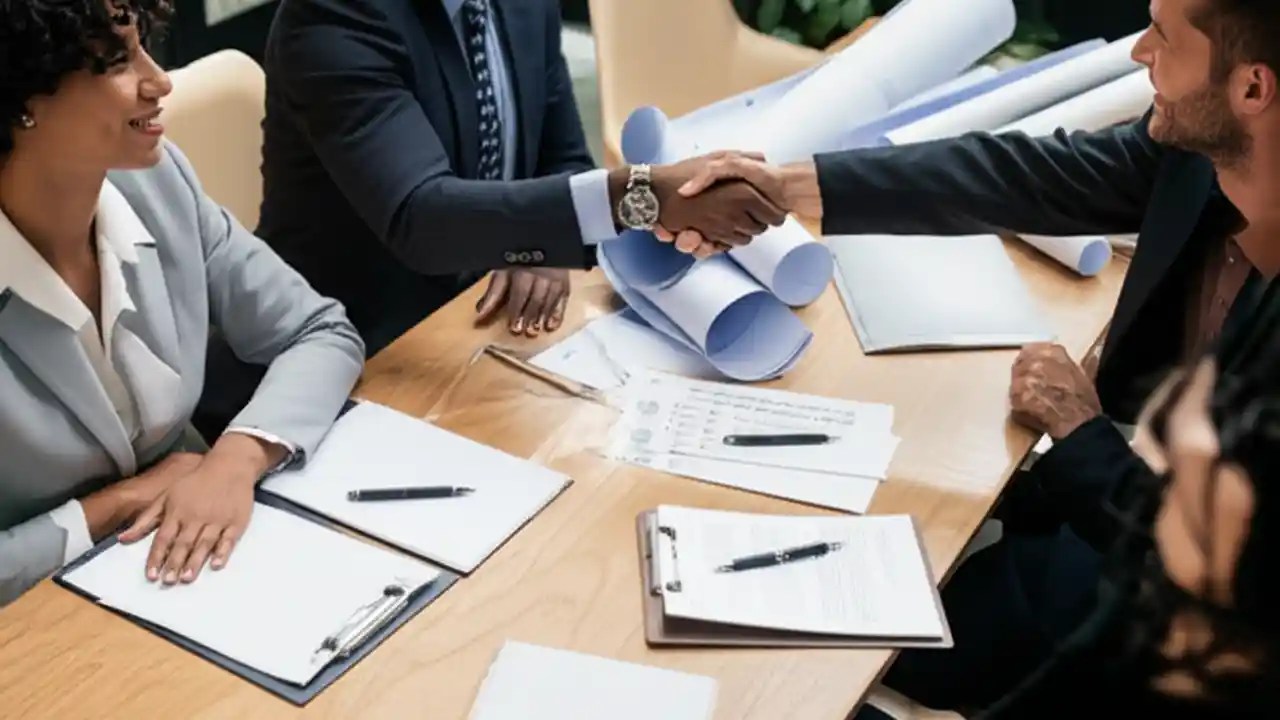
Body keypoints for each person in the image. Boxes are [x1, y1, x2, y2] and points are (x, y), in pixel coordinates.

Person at [675, 0, 1280, 707]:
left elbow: (1226, 571)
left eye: (1165, 38)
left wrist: (1079, 433)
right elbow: (1019, 176)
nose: (1138, 52)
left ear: (1251, 89)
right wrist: (786, 190)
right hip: (1110, 520)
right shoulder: (1201, 160)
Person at [0, 0, 364, 606]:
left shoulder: (160, 182)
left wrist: (236, 458)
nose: (159, 80)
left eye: (146, 46)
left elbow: (319, 331)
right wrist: (112, 506)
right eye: (119, 62)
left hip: (200, 569)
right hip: (38, 626)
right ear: (22, 101)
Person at [257, 0, 783, 353]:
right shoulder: (332, 18)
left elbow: (563, 158)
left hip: (487, 324)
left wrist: (538, 245)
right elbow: (420, 218)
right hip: (358, 349)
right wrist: (639, 196)